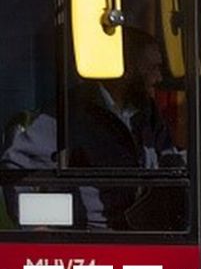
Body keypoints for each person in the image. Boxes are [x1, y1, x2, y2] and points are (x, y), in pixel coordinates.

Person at [1, 27, 182, 229]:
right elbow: (16, 167)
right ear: (126, 68)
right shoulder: (71, 112)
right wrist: (39, 227)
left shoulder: (148, 112)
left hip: (144, 232)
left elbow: (169, 161)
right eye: (152, 68)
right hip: (95, 238)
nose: (158, 78)